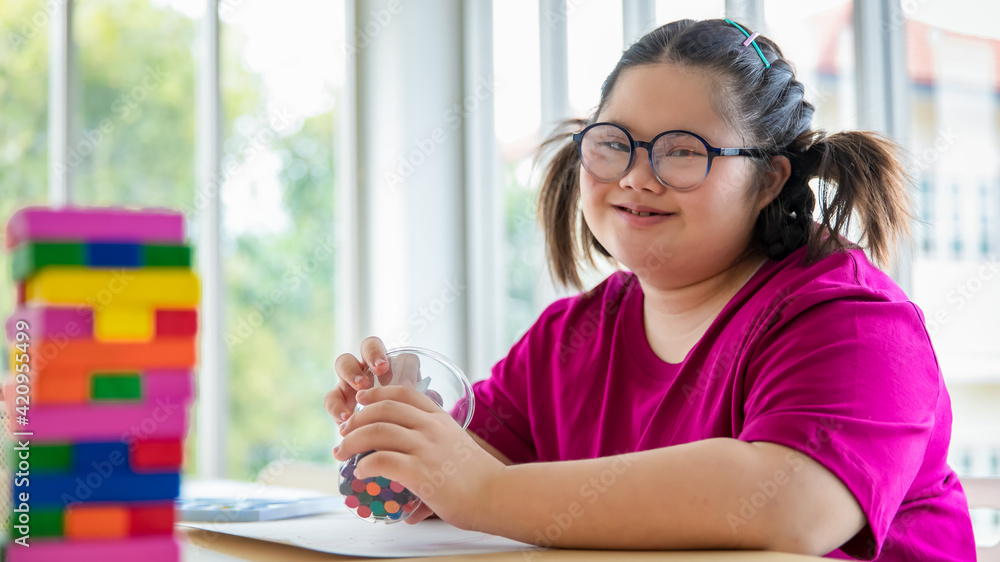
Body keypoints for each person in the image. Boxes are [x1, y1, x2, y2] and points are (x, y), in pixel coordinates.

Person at [324, 18, 975, 559]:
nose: (636, 177)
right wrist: (410, 441)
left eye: (683, 151)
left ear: (771, 178)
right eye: (613, 144)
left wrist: (484, 491)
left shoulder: (853, 319)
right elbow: (478, 469)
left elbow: (793, 506)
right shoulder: (565, 338)